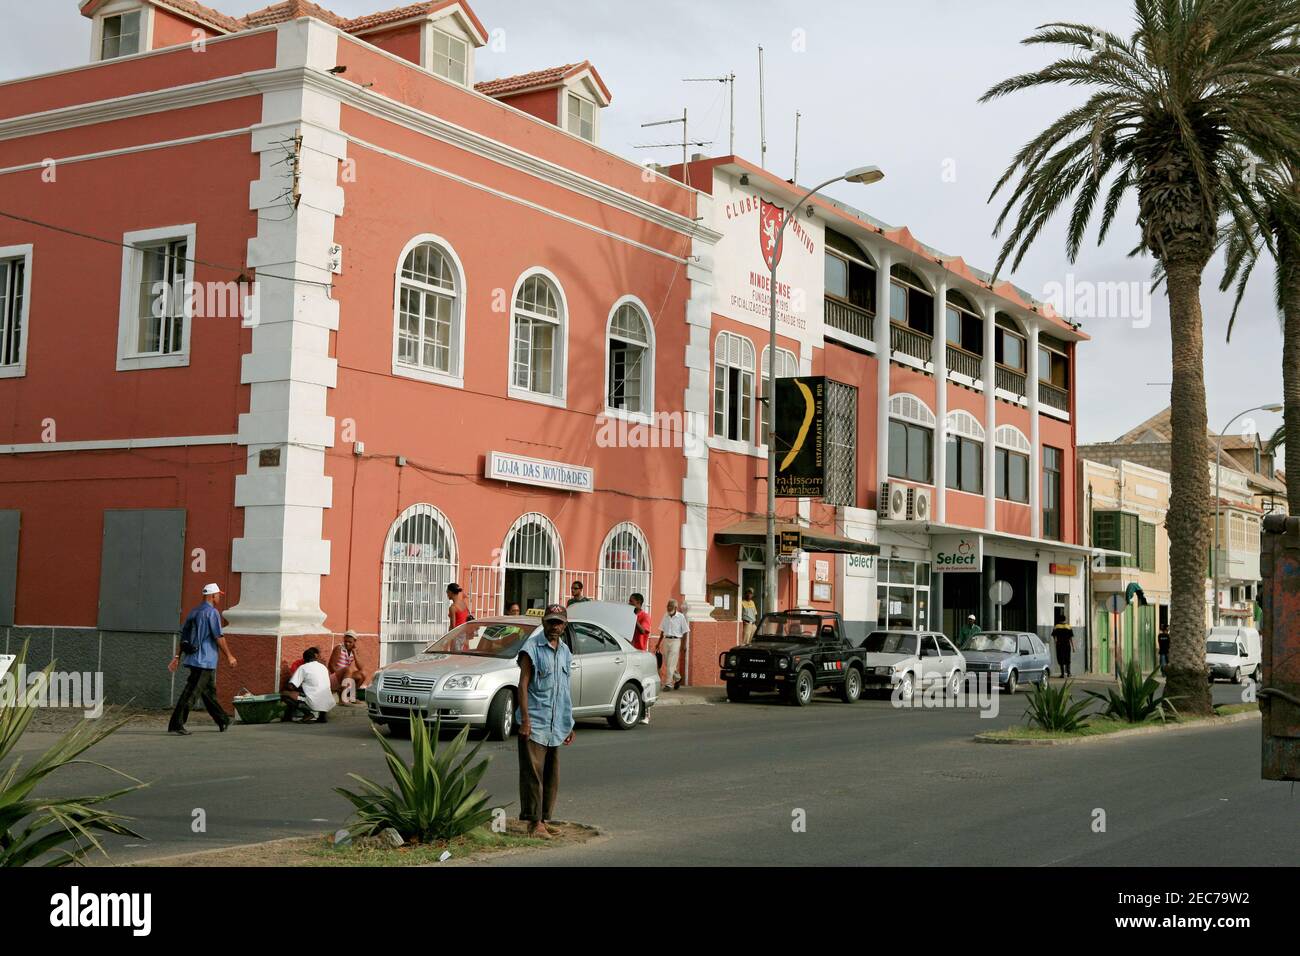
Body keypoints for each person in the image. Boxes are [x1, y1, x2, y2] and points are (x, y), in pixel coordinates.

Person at [516, 604, 574, 838]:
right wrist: (525, 720)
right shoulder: (531, 648)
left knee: (551, 774)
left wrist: (569, 722)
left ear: (565, 625)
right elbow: (522, 685)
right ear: (543, 623)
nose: (554, 627)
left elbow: (565, 689)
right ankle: (534, 822)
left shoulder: (565, 651)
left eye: (558, 623)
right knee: (533, 775)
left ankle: (544, 818)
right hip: (535, 721)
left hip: (556, 723)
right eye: (550, 622)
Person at [168, 583, 237, 736]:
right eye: (218, 595)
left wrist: (178, 656)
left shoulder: (194, 611)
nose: (219, 597)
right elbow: (218, 636)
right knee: (191, 692)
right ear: (212, 596)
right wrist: (229, 656)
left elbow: (184, 636)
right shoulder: (212, 613)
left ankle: (222, 720)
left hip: (194, 659)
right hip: (205, 660)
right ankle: (177, 724)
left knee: (208, 692)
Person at [281, 647, 336, 724]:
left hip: (314, 702)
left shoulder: (303, 667)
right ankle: (322, 716)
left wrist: (287, 684)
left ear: (304, 659)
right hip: (329, 703)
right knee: (317, 693)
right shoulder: (323, 667)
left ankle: (308, 714)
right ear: (315, 657)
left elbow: (291, 686)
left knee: (285, 694)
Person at [328, 630, 368, 704]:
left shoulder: (354, 651)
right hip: (334, 679)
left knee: (363, 674)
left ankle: (352, 697)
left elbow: (361, 668)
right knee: (349, 669)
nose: (347, 643)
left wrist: (355, 653)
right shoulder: (339, 648)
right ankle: (343, 698)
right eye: (345, 641)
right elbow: (331, 666)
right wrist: (342, 676)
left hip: (345, 677)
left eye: (350, 642)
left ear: (355, 642)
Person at [658, 598, 689, 691]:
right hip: (666, 640)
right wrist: (658, 643)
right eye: (668, 606)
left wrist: (684, 645)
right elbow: (662, 630)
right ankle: (678, 678)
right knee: (668, 663)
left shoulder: (681, 617)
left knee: (671, 663)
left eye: (670, 606)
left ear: (675, 607)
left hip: (676, 641)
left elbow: (685, 631)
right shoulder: (665, 616)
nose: (668, 607)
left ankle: (668, 684)